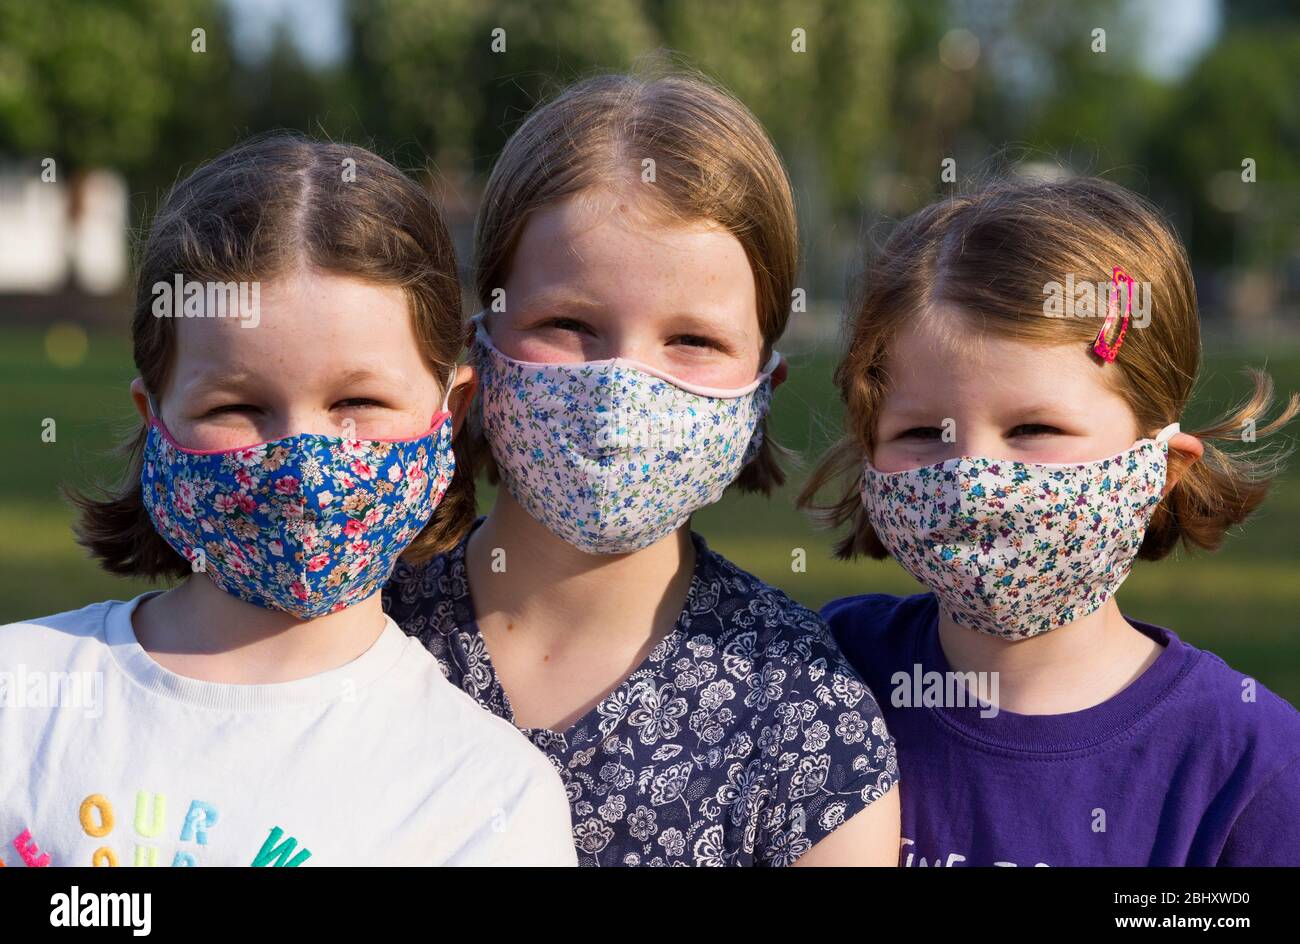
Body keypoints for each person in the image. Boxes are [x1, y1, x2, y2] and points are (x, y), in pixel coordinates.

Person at [0, 134, 576, 867]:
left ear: (450, 414)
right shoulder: (18, 700)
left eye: (358, 401)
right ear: (158, 421)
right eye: (238, 407)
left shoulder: (484, 798)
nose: (301, 467)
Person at [385, 71, 900, 867]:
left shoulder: (804, 721)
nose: (620, 386)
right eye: (568, 324)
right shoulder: (353, 635)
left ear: (763, 386)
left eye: (692, 340)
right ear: (478, 344)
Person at [801, 176, 1300, 865]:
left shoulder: (1253, 768)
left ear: (1159, 470)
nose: (973, 481)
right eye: (923, 433)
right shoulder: (818, 678)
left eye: (1034, 427)